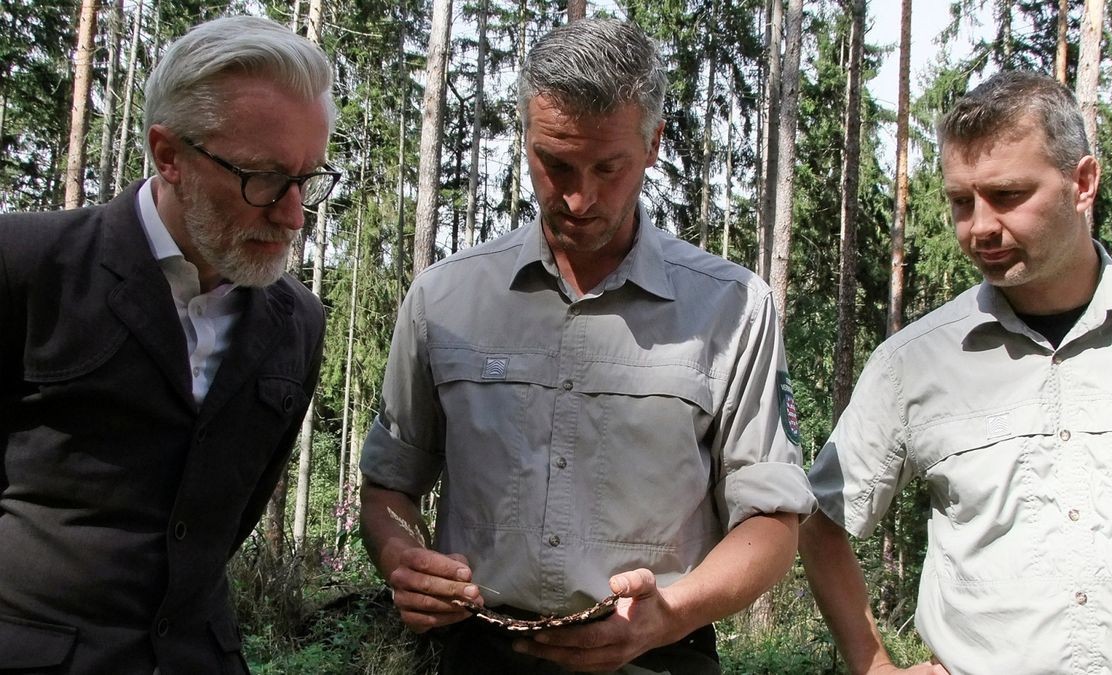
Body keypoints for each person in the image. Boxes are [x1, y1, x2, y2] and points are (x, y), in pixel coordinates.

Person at [359, 18, 815, 674]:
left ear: (654, 143)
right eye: (556, 163)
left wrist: (672, 613)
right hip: (476, 653)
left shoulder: (733, 308)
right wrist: (401, 556)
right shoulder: (445, 298)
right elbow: (387, 487)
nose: (578, 197)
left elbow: (773, 524)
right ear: (526, 138)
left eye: (608, 167)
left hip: (660, 656)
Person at [797, 70, 1112, 674]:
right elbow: (822, 520)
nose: (980, 226)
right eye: (962, 201)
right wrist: (874, 665)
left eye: (1008, 195)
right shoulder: (913, 363)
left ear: (1082, 183)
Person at [0, 16, 334, 673]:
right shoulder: (28, 266)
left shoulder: (298, 323)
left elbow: (229, 516)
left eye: (307, 180)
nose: (293, 214)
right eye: (263, 179)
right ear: (169, 154)